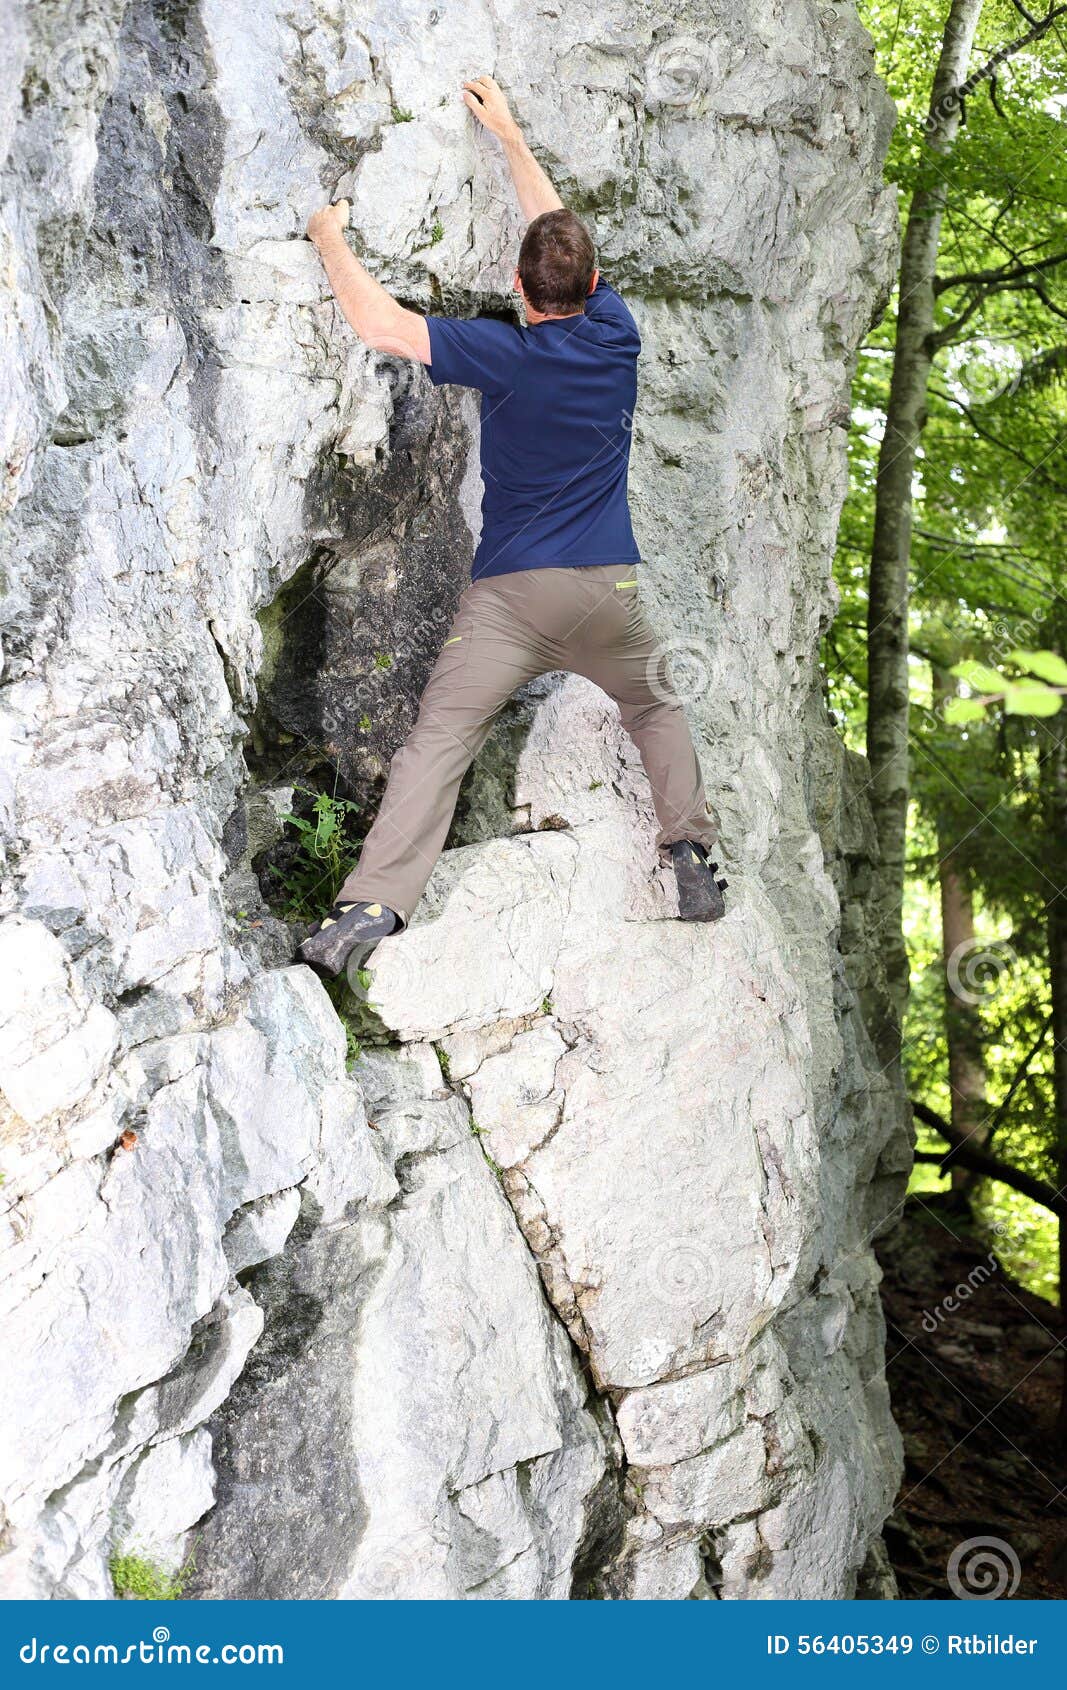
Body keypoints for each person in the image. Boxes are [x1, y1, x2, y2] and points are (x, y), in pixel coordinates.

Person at [298, 75, 726, 979]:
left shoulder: (503, 350)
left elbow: (378, 324)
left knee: (440, 741)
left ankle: (369, 908)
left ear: (517, 292)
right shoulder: (616, 333)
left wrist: (328, 235)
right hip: (607, 591)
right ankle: (688, 854)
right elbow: (560, 224)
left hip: (507, 602)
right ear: (593, 285)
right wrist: (511, 138)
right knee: (653, 702)